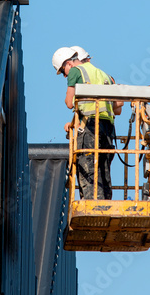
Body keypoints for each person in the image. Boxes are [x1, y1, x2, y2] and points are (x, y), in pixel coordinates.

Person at [52, 46, 122, 200]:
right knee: (104, 169)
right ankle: (106, 204)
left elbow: (69, 103)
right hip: (109, 129)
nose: (65, 76)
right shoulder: (106, 76)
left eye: (63, 72)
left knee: (88, 167)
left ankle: (93, 205)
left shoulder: (77, 71)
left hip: (90, 126)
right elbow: (118, 108)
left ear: (68, 64)